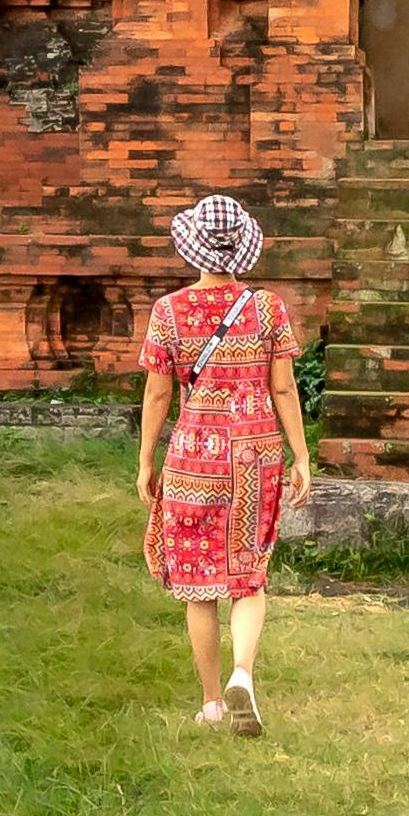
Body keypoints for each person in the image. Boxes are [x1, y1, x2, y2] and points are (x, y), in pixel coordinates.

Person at [131, 193, 313, 734]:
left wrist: (146, 461)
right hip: (256, 454)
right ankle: (242, 675)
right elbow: (283, 387)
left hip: (194, 457)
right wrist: (301, 454)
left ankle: (212, 703)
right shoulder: (268, 308)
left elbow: (158, 398)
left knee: (198, 583)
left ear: (193, 247)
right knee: (247, 575)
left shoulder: (169, 311)